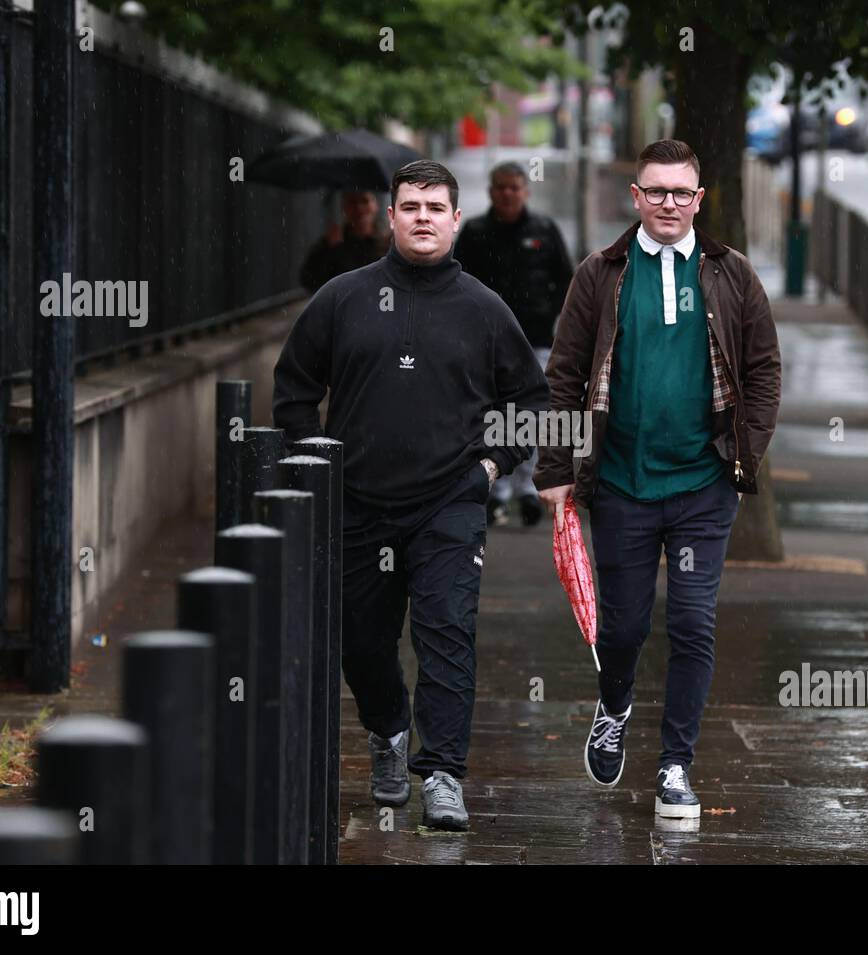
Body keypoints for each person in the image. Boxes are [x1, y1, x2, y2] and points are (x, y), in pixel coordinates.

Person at [273, 160, 549, 831]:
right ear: (390, 216)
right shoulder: (342, 298)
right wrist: (318, 461)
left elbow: (533, 401)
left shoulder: (484, 309)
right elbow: (294, 390)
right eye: (410, 206)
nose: (423, 216)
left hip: (449, 504)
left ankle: (444, 774)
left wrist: (489, 467)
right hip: (359, 502)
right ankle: (390, 729)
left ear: (456, 219)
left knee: (448, 633)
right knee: (361, 643)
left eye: (436, 207)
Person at [534, 140, 781, 819]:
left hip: (703, 486)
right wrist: (555, 469)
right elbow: (565, 375)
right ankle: (614, 704)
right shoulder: (601, 275)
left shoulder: (732, 275)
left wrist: (743, 452)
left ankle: (675, 765)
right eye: (656, 191)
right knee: (623, 626)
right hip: (621, 484)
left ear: (699, 200)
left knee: (694, 621)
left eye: (681, 192)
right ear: (635, 197)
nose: (669, 202)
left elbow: (763, 371)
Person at [454, 161, 574, 527]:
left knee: (532, 416)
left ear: (526, 191)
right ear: (491, 191)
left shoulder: (544, 230)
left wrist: (551, 317)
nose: (507, 194)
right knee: (493, 415)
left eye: (514, 187)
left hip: (536, 340)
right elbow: (458, 281)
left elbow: (566, 280)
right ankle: (497, 490)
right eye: (501, 187)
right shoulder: (474, 232)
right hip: (485, 344)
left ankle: (527, 488)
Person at [298, 189, 390, 293]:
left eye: (365, 201)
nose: (359, 208)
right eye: (352, 202)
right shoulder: (332, 242)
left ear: (375, 205)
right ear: (344, 208)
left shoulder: (389, 242)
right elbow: (309, 281)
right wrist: (329, 249)